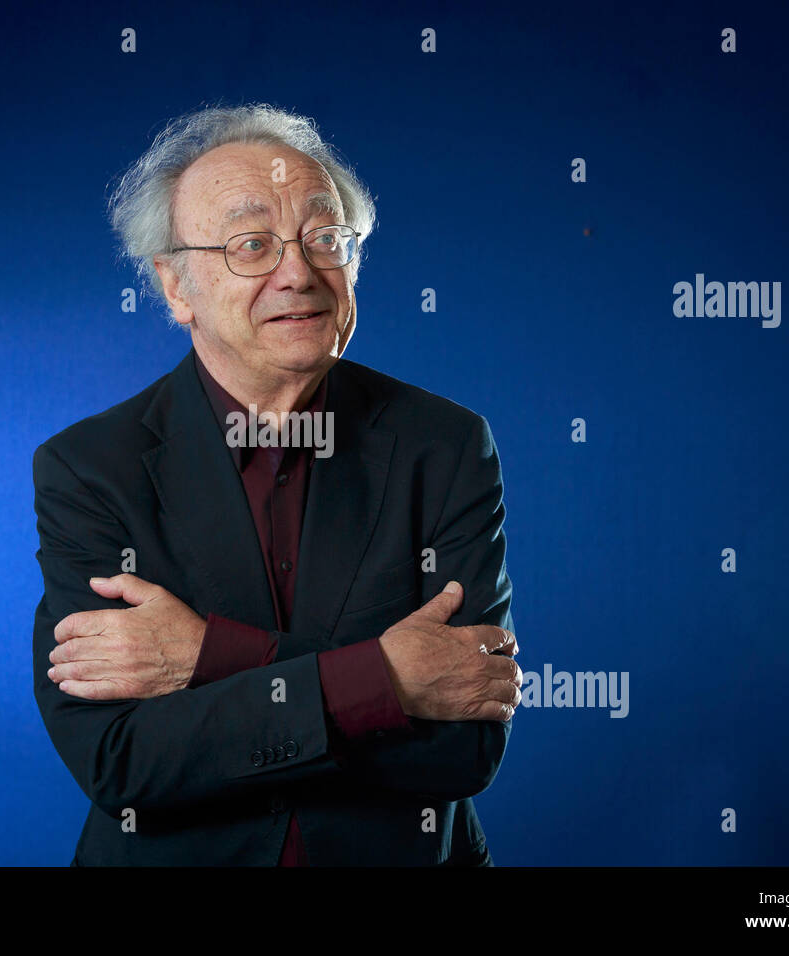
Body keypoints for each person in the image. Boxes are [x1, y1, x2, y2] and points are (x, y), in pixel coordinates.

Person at [32, 102, 522, 865]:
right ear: (174, 285)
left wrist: (209, 657)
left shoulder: (446, 445)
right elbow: (123, 761)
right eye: (251, 245)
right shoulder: (91, 468)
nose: (297, 272)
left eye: (325, 238)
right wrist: (385, 679)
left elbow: (462, 747)